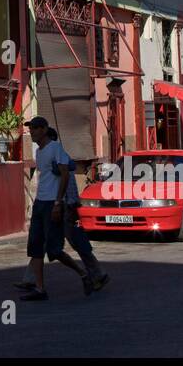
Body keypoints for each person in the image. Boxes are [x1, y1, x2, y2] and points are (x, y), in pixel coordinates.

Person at [16, 117, 88, 301]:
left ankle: (83, 273)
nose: (31, 132)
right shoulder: (39, 152)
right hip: (40, 202)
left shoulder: (55, 148)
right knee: (35, 247)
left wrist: (58, 202)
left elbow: (65, 173)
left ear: (44, 130)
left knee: (54, 250)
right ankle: (40, 288)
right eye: (30, 129)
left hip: (52, 204)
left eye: (34, 129)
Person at [60, 153, 109, 295]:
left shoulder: (61, 161)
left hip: (67, 209)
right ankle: (96, 273)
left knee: (77, 243)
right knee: (78, 242)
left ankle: (96, 273)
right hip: (69, 208)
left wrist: (66, 207)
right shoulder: (64, 160)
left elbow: (69, 191)